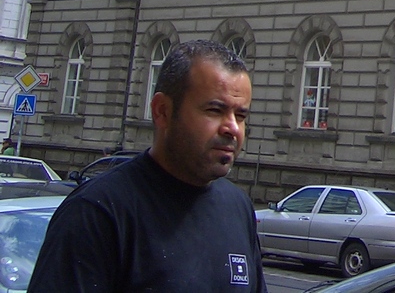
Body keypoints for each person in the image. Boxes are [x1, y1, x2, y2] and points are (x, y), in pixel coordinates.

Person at [28, 39, 264, 292]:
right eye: (215, 110)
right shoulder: (98, 212)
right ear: (162, 111)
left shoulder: (237, 207)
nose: (232, 128)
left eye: (240, 116)